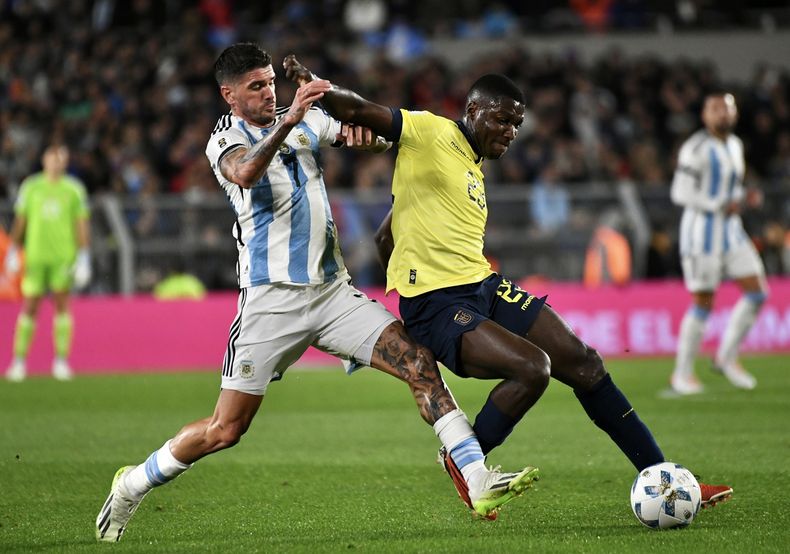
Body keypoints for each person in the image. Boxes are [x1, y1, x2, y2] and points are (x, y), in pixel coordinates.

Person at [95, 43, 537, 544]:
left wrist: (363, 139)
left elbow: (363, 135)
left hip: (332, 295)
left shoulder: (303, 119)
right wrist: (290, 122)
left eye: (270, 83)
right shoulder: (226, 138)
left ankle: (477, 478)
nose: (269, 93)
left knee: (418, 363)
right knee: (226, 429)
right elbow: (245, 172)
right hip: (270, 302)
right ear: (229, 95)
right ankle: (133, 483)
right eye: (255, 87)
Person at [282, 55, 734, 515]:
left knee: (584, 363)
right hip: (439, 303)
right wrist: (313, 86)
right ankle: (465, 457)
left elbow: (385, 236)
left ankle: (667, 479)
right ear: (473, 110)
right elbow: (360, 111)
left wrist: (404, 275)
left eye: (517, 124)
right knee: (532, 368)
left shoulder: (471, 167)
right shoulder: (431, 132)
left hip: (482, 286)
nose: (510, 132)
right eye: (502, 119)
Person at [669, 92, 768, 395]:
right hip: (702, 235)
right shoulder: (695, 148)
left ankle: (726, 357)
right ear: (705, 116)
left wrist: (744, 197)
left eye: (727, 108)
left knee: (757, 293)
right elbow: (680, 193)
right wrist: (719, 203)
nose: (722, 114)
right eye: (715, 109)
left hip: (731, 231)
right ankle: (682, 374)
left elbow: (730, 189)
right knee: (704, 301)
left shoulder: (735, 145)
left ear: (735, 113)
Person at [4, 144, 91, 382]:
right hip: (35, 256)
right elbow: (21, 219)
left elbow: (81, 223)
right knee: (30, 305)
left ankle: (61, 361)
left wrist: (84, 256)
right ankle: (19, 361)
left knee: (62, 305)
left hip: (63, 257)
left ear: (65, 162)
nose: (56, 162)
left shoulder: (74, 189)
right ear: (44, 160)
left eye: (60, 158)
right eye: (52, 157)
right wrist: (13, 248)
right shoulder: (31, 187)